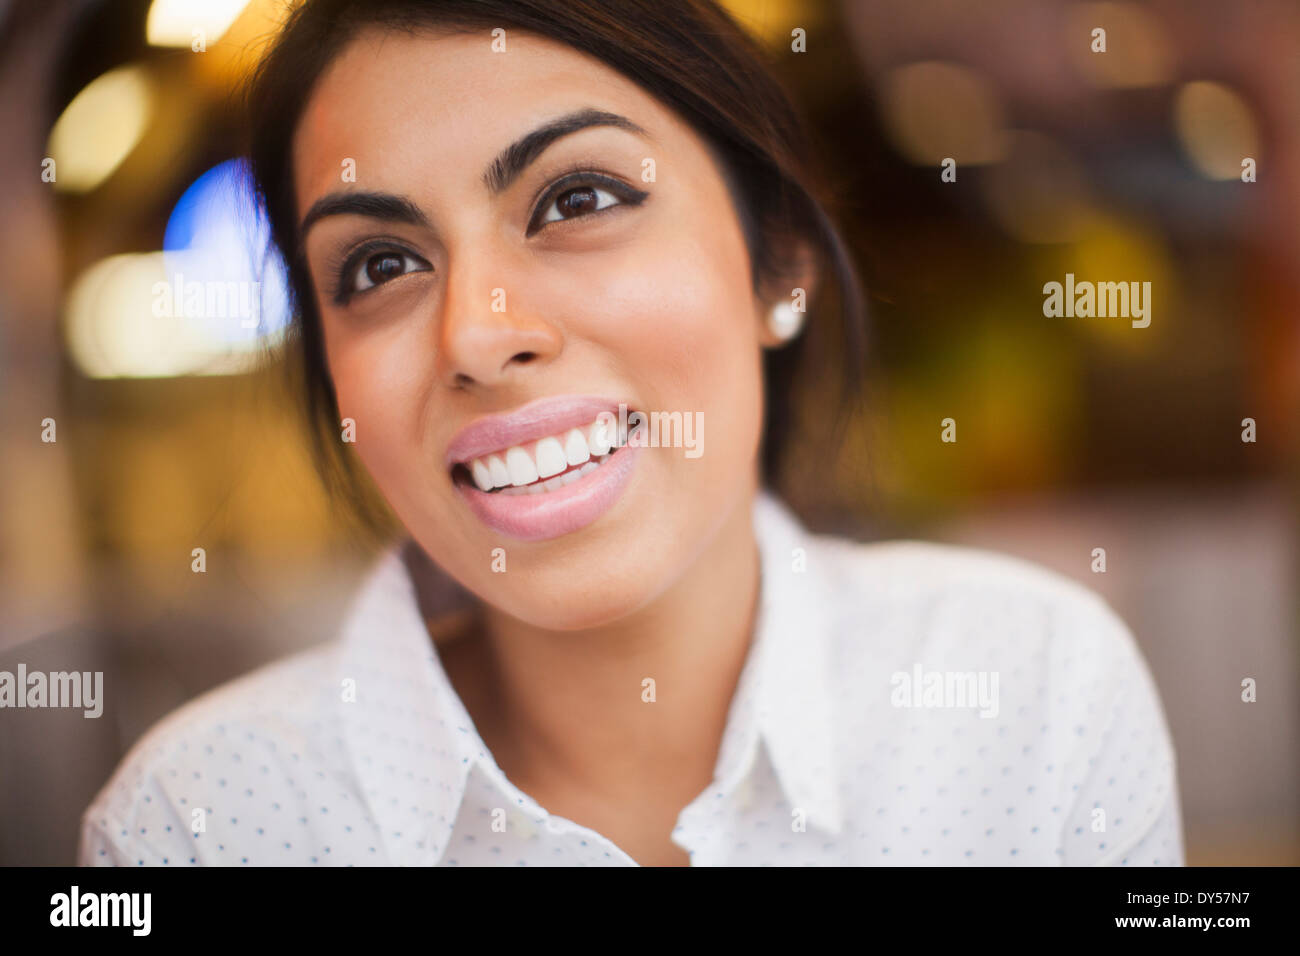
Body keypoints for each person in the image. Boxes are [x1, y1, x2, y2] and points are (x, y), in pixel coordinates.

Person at [79, 0, 1182, 866]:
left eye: (576, 199)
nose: (477, 333)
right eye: (381, 265)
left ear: (779, 258)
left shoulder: (1032, 693)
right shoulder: (201, 822)